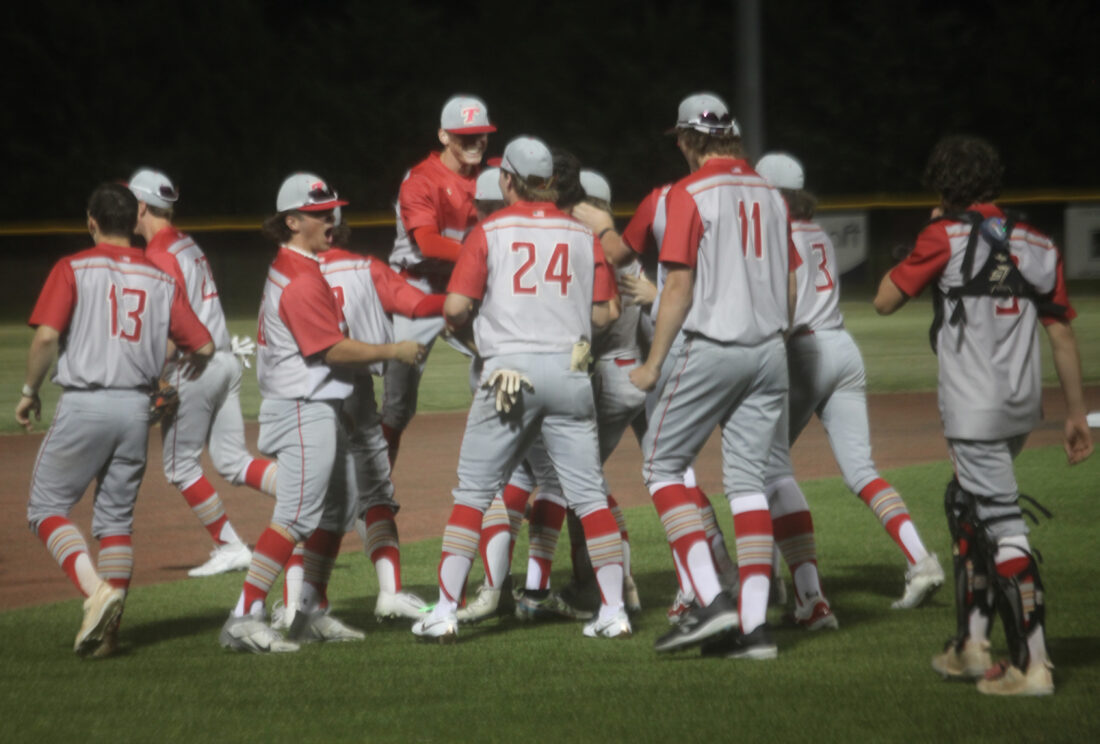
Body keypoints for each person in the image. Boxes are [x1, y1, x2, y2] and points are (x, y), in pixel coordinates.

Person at [873, 135, 1092, 695]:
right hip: (1021, 407)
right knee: (965, 507)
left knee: (1002, 525)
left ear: (942, 186)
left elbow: (884, 300)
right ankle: (972, 647)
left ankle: (1033, 667)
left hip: (974, 410)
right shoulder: (1037, 241)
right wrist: (1075, 413)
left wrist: (930, 232)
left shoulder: (943, 236)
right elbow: (1061, 331)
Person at [411, 136, 630, 643]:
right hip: (569, 372)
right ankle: (614, 611)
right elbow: (604, 314)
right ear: (550, 182)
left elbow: (455, 308)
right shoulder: (582, 234)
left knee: (472, 494)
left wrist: (474, 325)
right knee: (589, 497)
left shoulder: (489, 230)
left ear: (507, 180)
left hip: (508, 377)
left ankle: (445, 611)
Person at [218, 174, 425, 653]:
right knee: (295, 516)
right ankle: (243, 616)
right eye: (318, 213)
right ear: (291, 221)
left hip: (317, 405)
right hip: (300, 407)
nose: (330, 219)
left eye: (331, 210)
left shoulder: (300, 268)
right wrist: (394, 350)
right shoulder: (300, 278)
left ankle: (309, 612)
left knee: (336, 511)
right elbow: (330, 349)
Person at [626, 92, 794, 659]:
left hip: (715, 347)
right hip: (770, 352)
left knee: (661, 466)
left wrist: (653, 364)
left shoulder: (688, 192)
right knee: (748, 485)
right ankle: (756, 630)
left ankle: (711, 599)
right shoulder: (770, 191)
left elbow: (677, 286)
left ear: (687, 139)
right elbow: (790, 282)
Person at [19, 182, 214, 658]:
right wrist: (171, 375)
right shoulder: (162, 278)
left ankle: (96, 591)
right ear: (134, 221)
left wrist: (29, 392)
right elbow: (204, 345)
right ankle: (107, 640)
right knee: (115, 522)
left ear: (91, 221)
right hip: (135, 411)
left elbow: (46, 338)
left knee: (45, 508)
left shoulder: (73, 267)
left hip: (86, 404)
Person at [754, 152, 944, 619]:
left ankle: (788, 587)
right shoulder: (818, 232)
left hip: (802, 352)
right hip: (843, 348)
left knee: (764, 469)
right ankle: (921, 560)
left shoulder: (774, 234)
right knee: (862, 470)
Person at [130, 168, 278, 578]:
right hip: (225, 361)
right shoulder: (185, 243)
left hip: (193, 365)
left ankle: (230, 546)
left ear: (140, 206)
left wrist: (152, 377)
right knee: (232, 461)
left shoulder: (159, 253)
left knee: (180, 466)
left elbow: (171, 324)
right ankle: (310, 496)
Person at [382, 95, 496, 465]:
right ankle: (374, 488)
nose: (475, 142)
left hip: (465, 286)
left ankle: (502, 479)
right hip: (414, 290)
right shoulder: (420, 180)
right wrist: (484, 256)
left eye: (481, 134)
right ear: (444, 136)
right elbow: (428, 243)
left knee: (503, 369)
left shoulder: (493, 179)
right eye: (465, 136)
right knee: (398, 406)